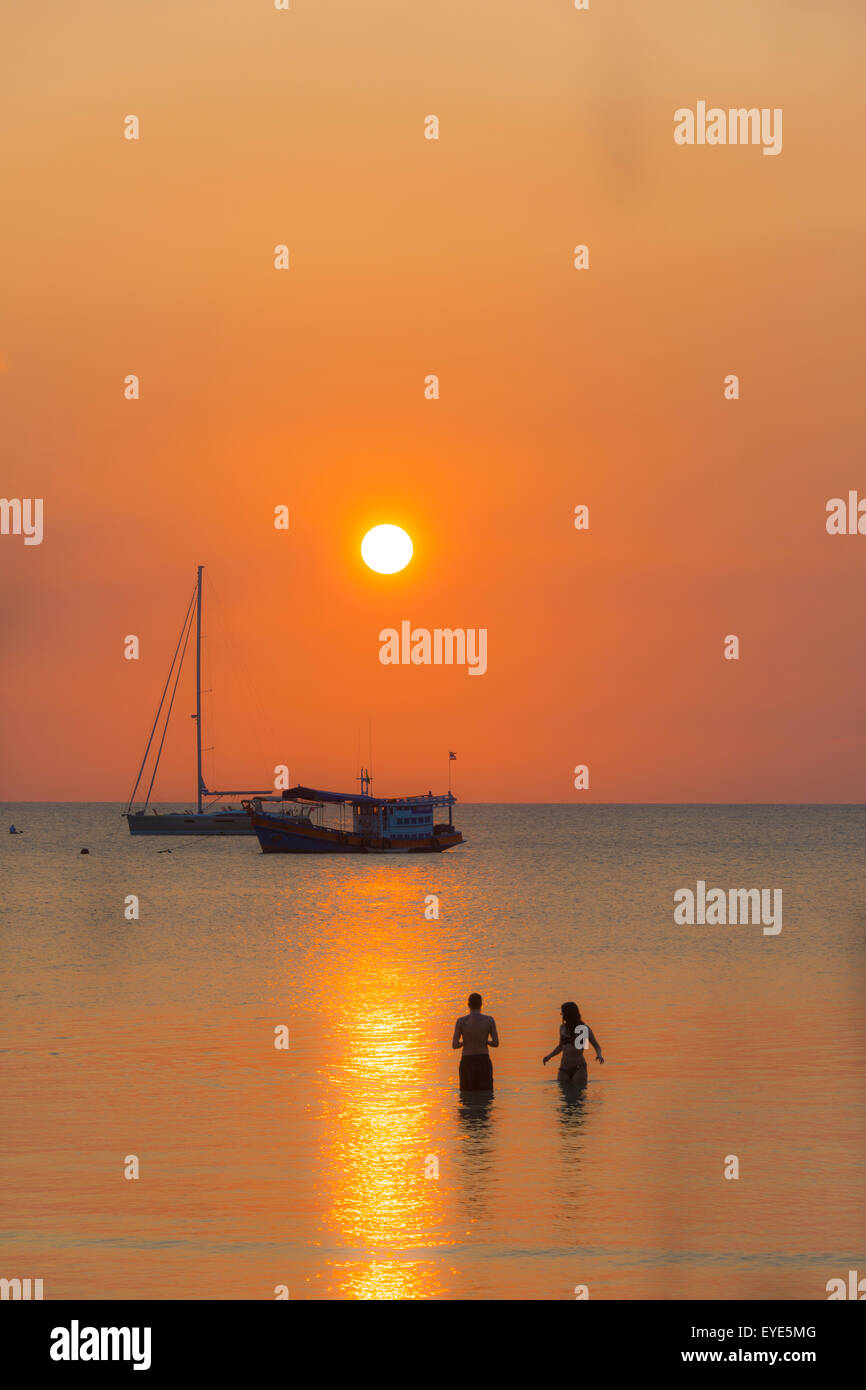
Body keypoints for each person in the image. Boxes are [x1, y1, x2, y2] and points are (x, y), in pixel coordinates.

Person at [543, 1001, 603, 1084]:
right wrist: (548, 1056)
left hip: (579, 1068)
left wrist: (599, 1055)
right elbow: (560, 1047)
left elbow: (596, 1045)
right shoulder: (562, 1028)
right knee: (563, 1095)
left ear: (568, 1014)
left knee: (578, 1095)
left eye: (563, 1012)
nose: (561, 1014)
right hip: (564, 1068)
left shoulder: (584, 1029)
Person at [452, 992, 499, 1091]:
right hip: (483, 1060)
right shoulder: (489, 1020)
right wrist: (486, 1042)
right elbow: (496, 1043)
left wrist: (463, 1043)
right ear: (481, 1004)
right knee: (485, 1095)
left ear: (468, 1005)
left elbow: (455, 1045)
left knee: (467, 1095)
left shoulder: (461, 1021)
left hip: (467, 1061)